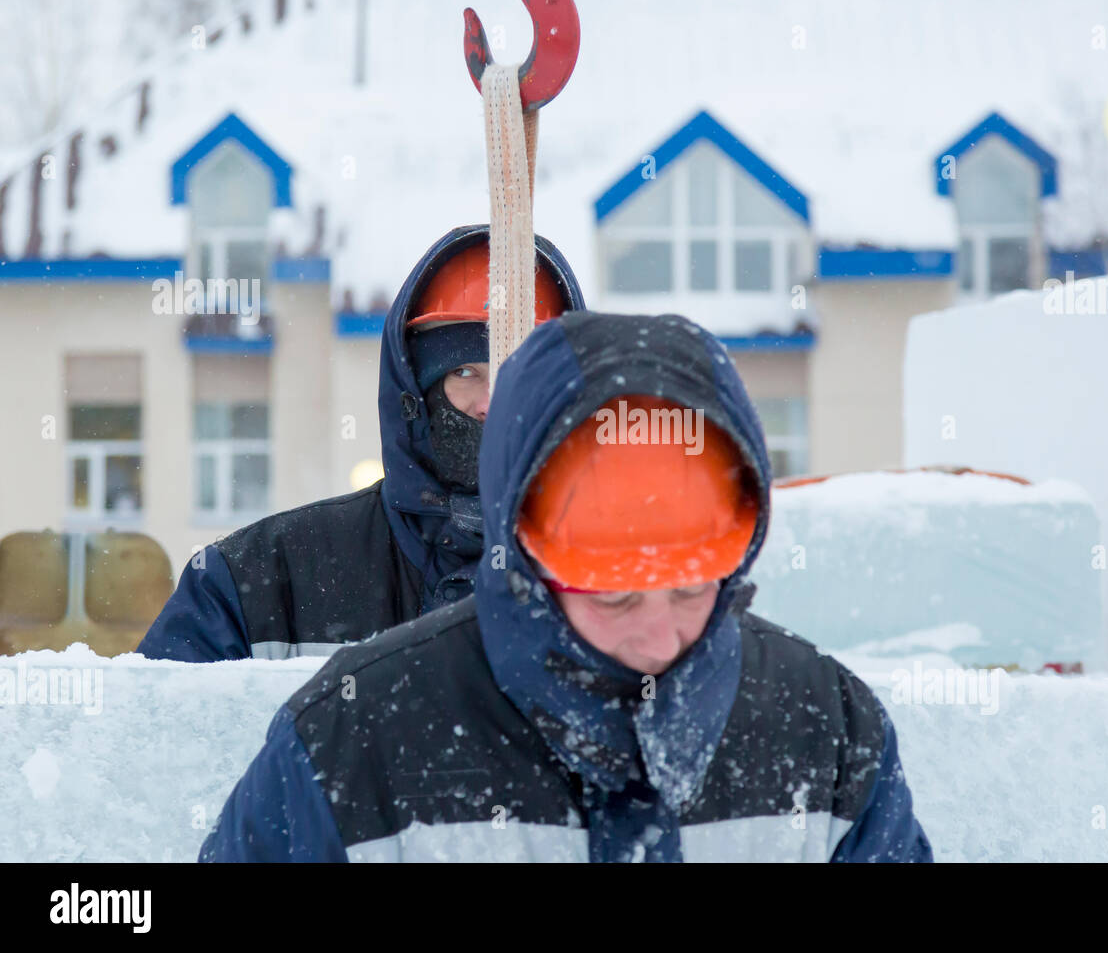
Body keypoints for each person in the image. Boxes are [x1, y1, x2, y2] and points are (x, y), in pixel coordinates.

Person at [199, 310, 932, 862]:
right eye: (612, 593)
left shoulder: (827, 732)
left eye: (689, 588)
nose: (658, 637)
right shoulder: (353, 741)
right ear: (526, 563)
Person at [136, 224, 584, 661]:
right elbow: (163, 726)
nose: (491, 402)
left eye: (517, 372)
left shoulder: (616, 580)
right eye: (464, 373)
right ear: (415, 396)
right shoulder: (260, 583)